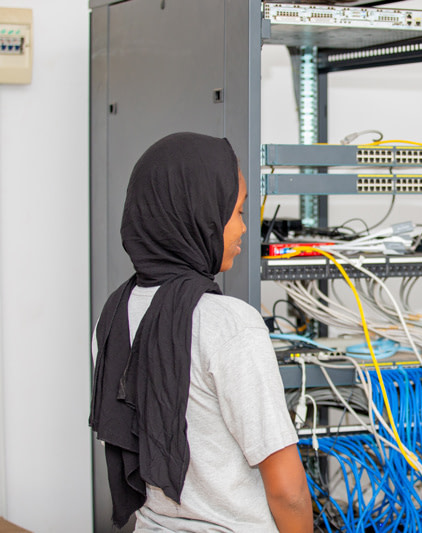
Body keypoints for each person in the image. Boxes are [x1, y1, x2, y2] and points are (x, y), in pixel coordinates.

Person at [89, 132, 313, 532]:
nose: (246, 228)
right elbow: (288, 490)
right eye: (238, 211)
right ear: (198, 213)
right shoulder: (229, 323)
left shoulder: (114, 316)